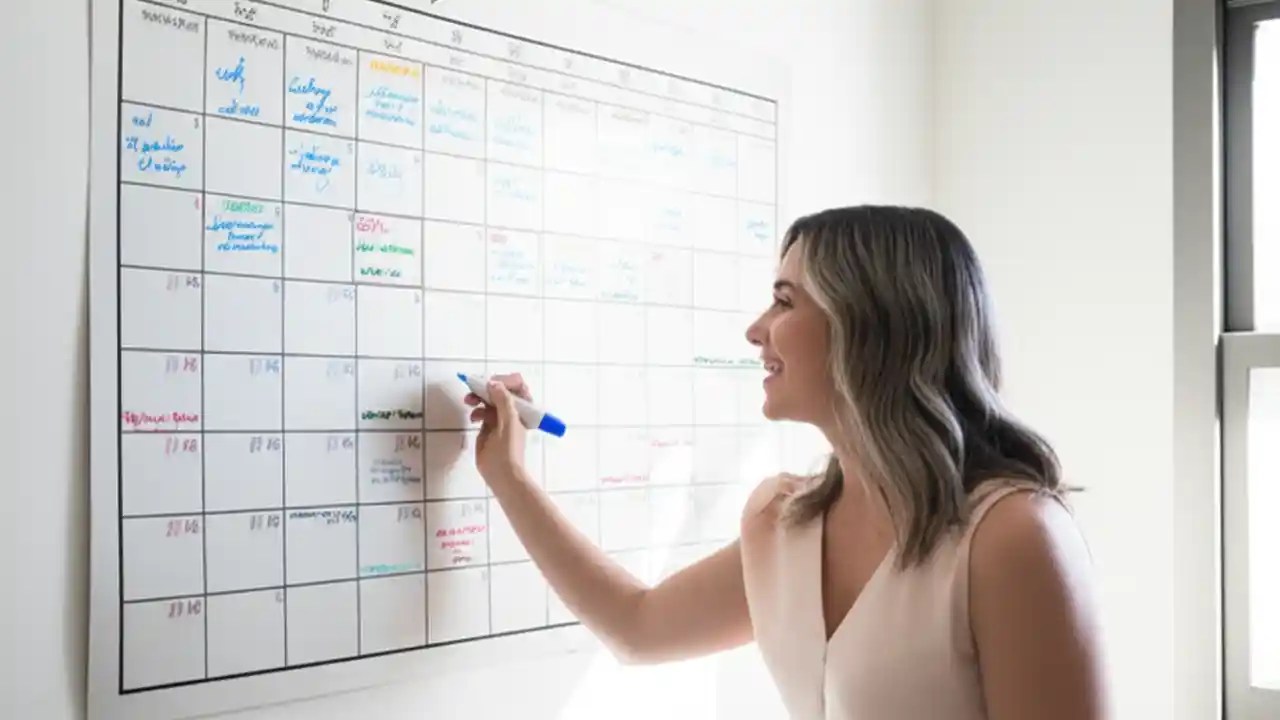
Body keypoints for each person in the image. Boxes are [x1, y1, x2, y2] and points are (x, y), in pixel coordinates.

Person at [464, 205, 1112, 720]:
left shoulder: (1012, 536)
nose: (756, 329)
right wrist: (509, 477)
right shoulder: (781, 521)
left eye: (784, 300)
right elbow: (636, 628)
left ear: (868, 326)